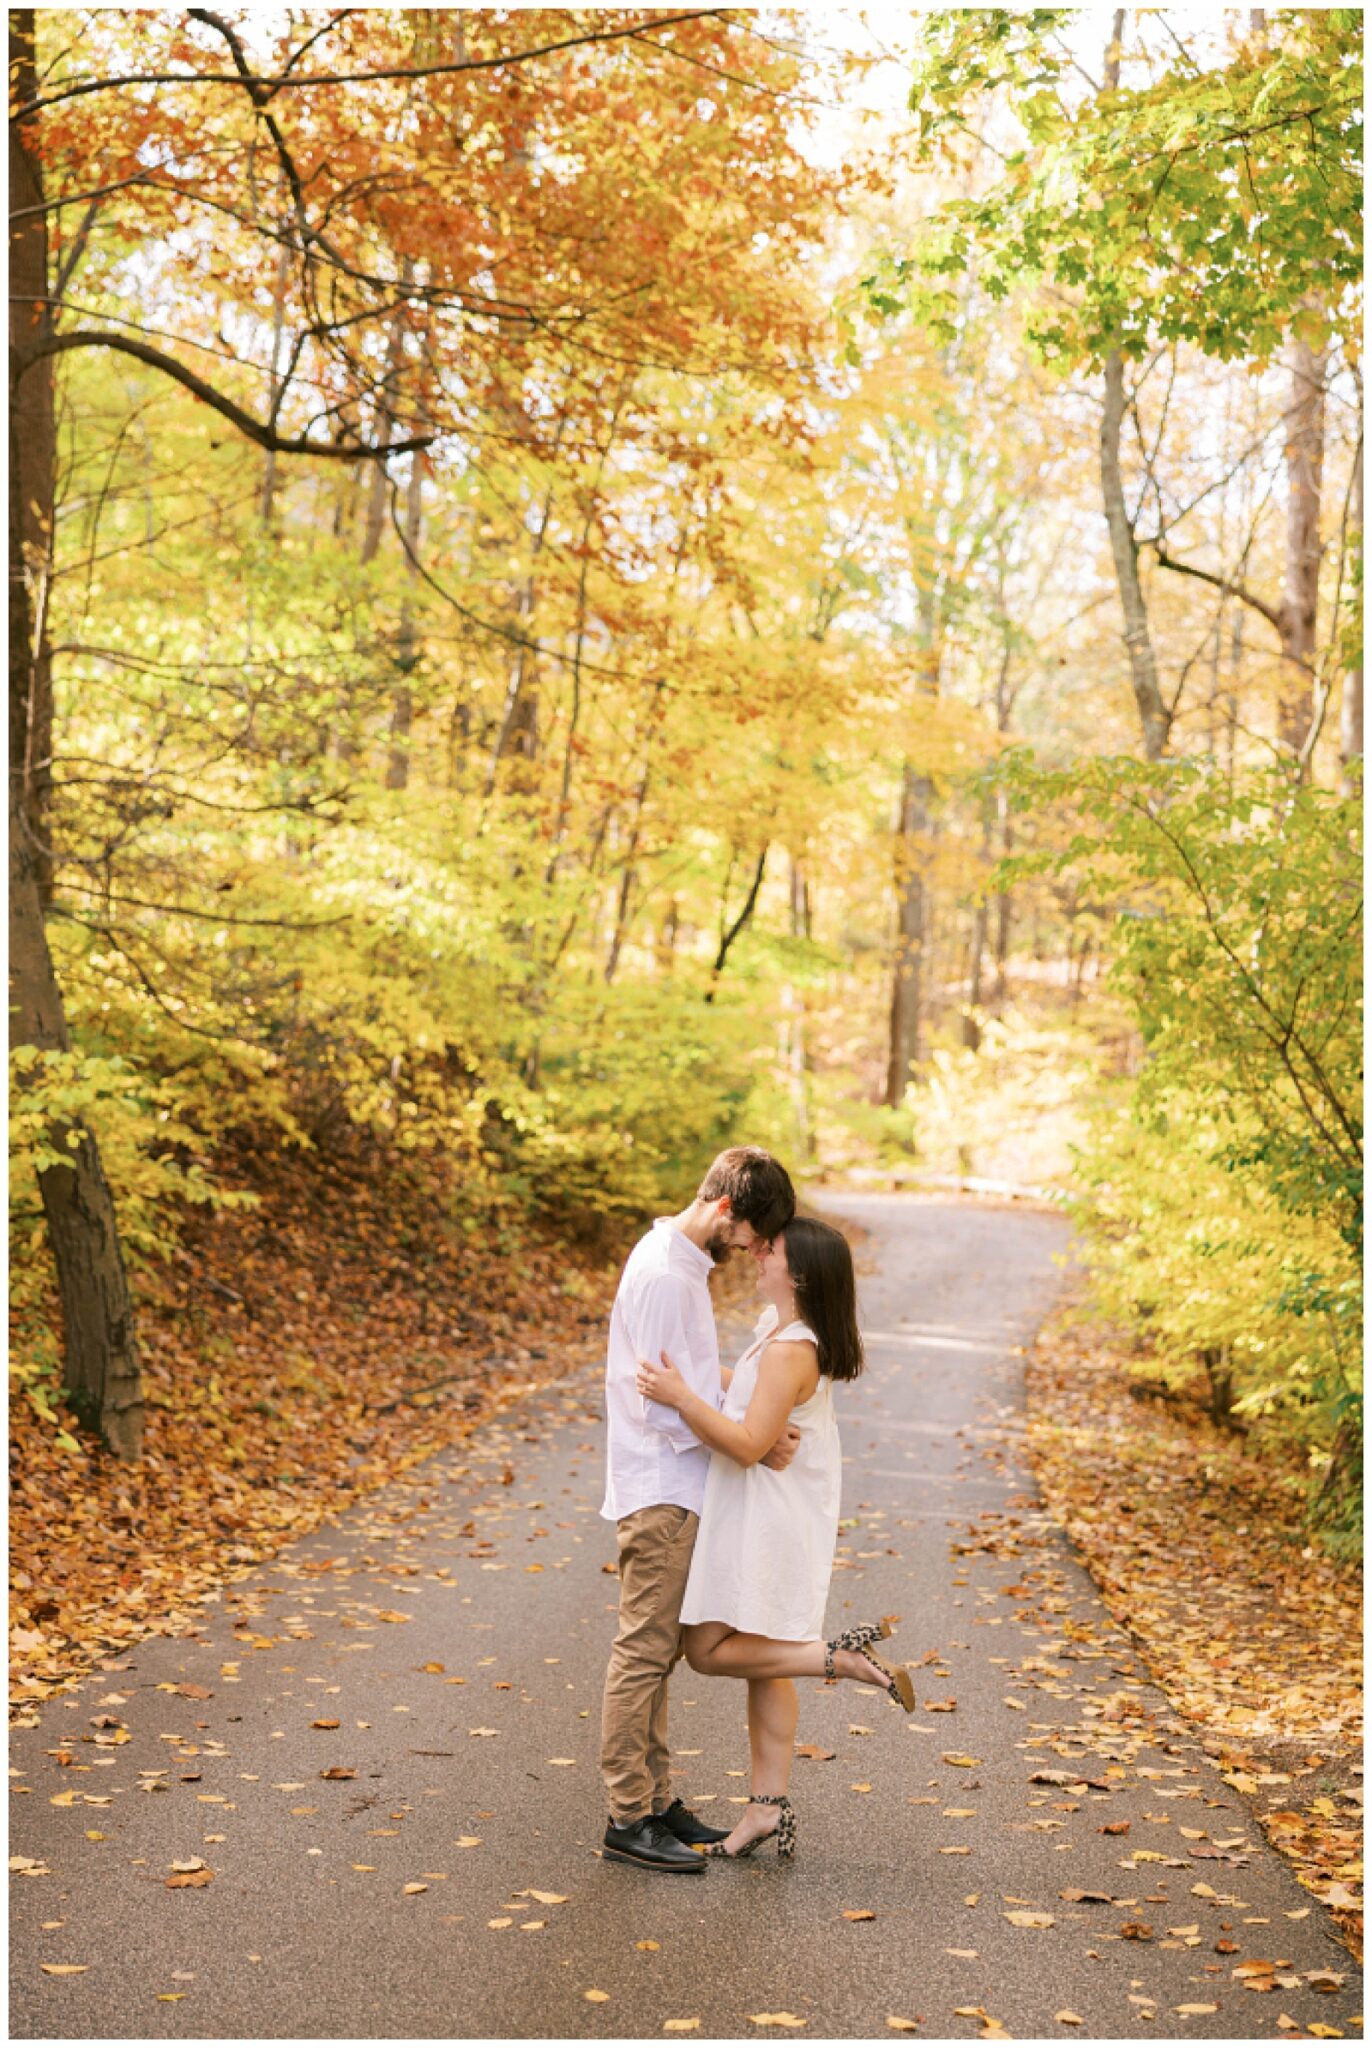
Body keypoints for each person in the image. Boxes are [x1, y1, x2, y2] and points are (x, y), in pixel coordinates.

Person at [635, 1214, 916, 1862]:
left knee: (707, 1649)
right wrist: (709, 1386)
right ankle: (767, 1809)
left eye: (772, 1251)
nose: (757, 1255)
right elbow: (753, 1403)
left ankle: (841, 1660)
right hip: (771, 1509)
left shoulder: (794, 1348)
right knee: (765, 1662)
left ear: (800, 1275)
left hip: (768, 1518)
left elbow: (744, 1442)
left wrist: (680, 1396)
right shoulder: (784, 1333)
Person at [599, 1145, 798, 1875]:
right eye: (749, 1236)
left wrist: (756, 1419)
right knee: (643, 1654)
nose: (750, 1251)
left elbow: (685, 1374)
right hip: (662, 1489)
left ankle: (657, 1802)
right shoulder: (661, 1274)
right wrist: (750, 1440)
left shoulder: (681, 1268)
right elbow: (660, 1406)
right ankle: (629, 1815)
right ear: (724, 1210)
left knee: (656, 1662)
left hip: (682, 1487)